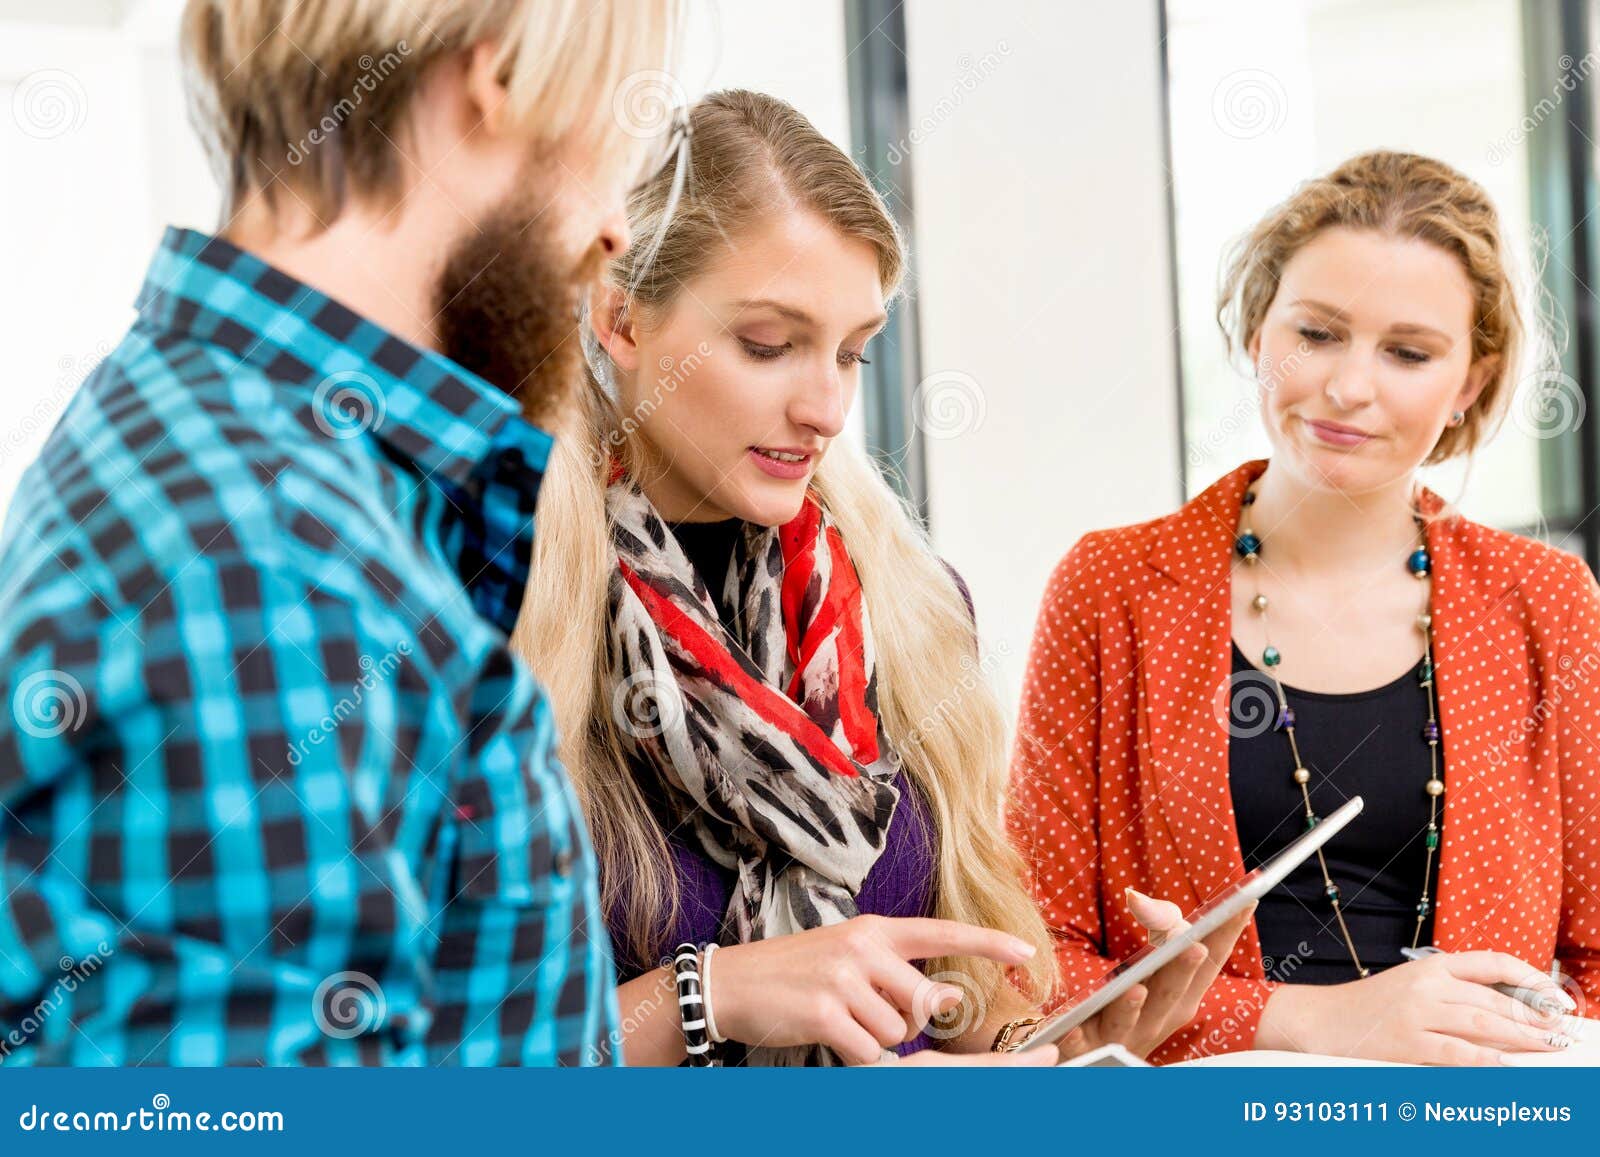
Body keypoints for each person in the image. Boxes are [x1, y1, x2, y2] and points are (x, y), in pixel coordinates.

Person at [0, 0, 682, 1065]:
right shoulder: (271, 568)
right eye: (613, 137)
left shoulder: (244, 458)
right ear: (498, 75)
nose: (615, 229)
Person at [513, 89, 1254, 1067]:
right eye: (768, 345)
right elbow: (438, 1061)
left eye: (853, 353)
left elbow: (954, 995)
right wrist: (714, 993)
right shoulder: (507, 612)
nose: (826, 408)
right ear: (620, 317)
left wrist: (1047, 1044)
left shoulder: (912, 603)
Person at [1011, 150, 1599, 1066]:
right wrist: (1308, 1019)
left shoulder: (1549, 601)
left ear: (1470, 383)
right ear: (1259, 332)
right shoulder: (1111, 587)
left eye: (1408, 352)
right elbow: (1030, 967)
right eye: (1318, 333)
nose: (1350, 387)